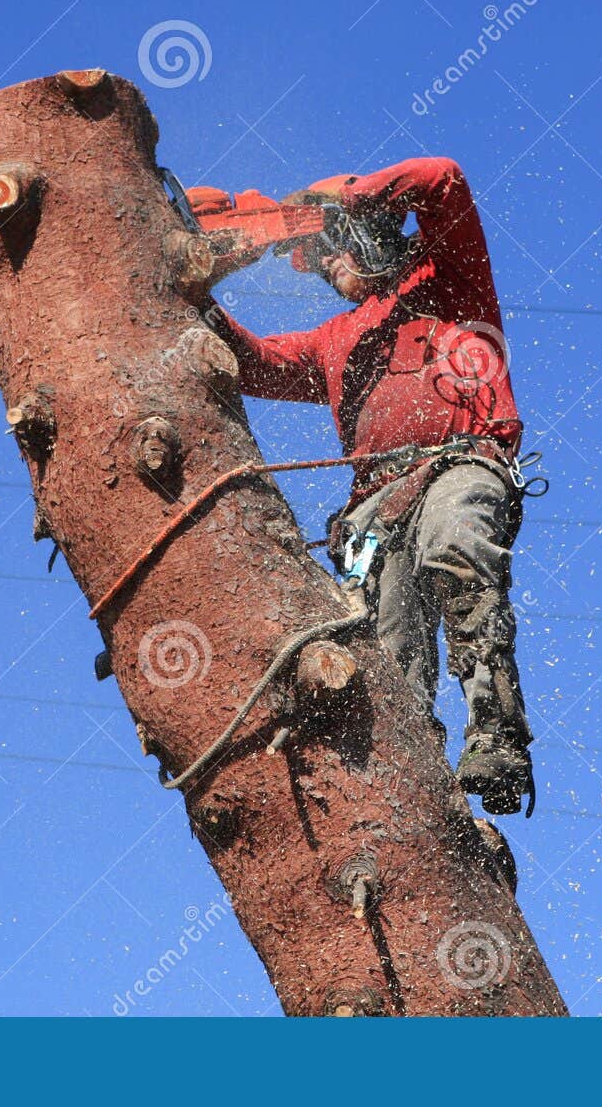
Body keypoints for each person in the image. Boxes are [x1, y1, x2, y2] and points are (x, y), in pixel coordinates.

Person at [204, 157, 539, 817]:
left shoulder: (451, 278)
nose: (325, 270)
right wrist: (194, 295)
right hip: (376, 508)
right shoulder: (335, 339)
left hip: (457, 460)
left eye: (327, 251)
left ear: (367, 229)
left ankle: (497, 730)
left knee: (456, 540)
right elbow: (253, 364)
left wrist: (351, 197)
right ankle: (414, 796)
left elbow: (443, 177)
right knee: (386, 659)